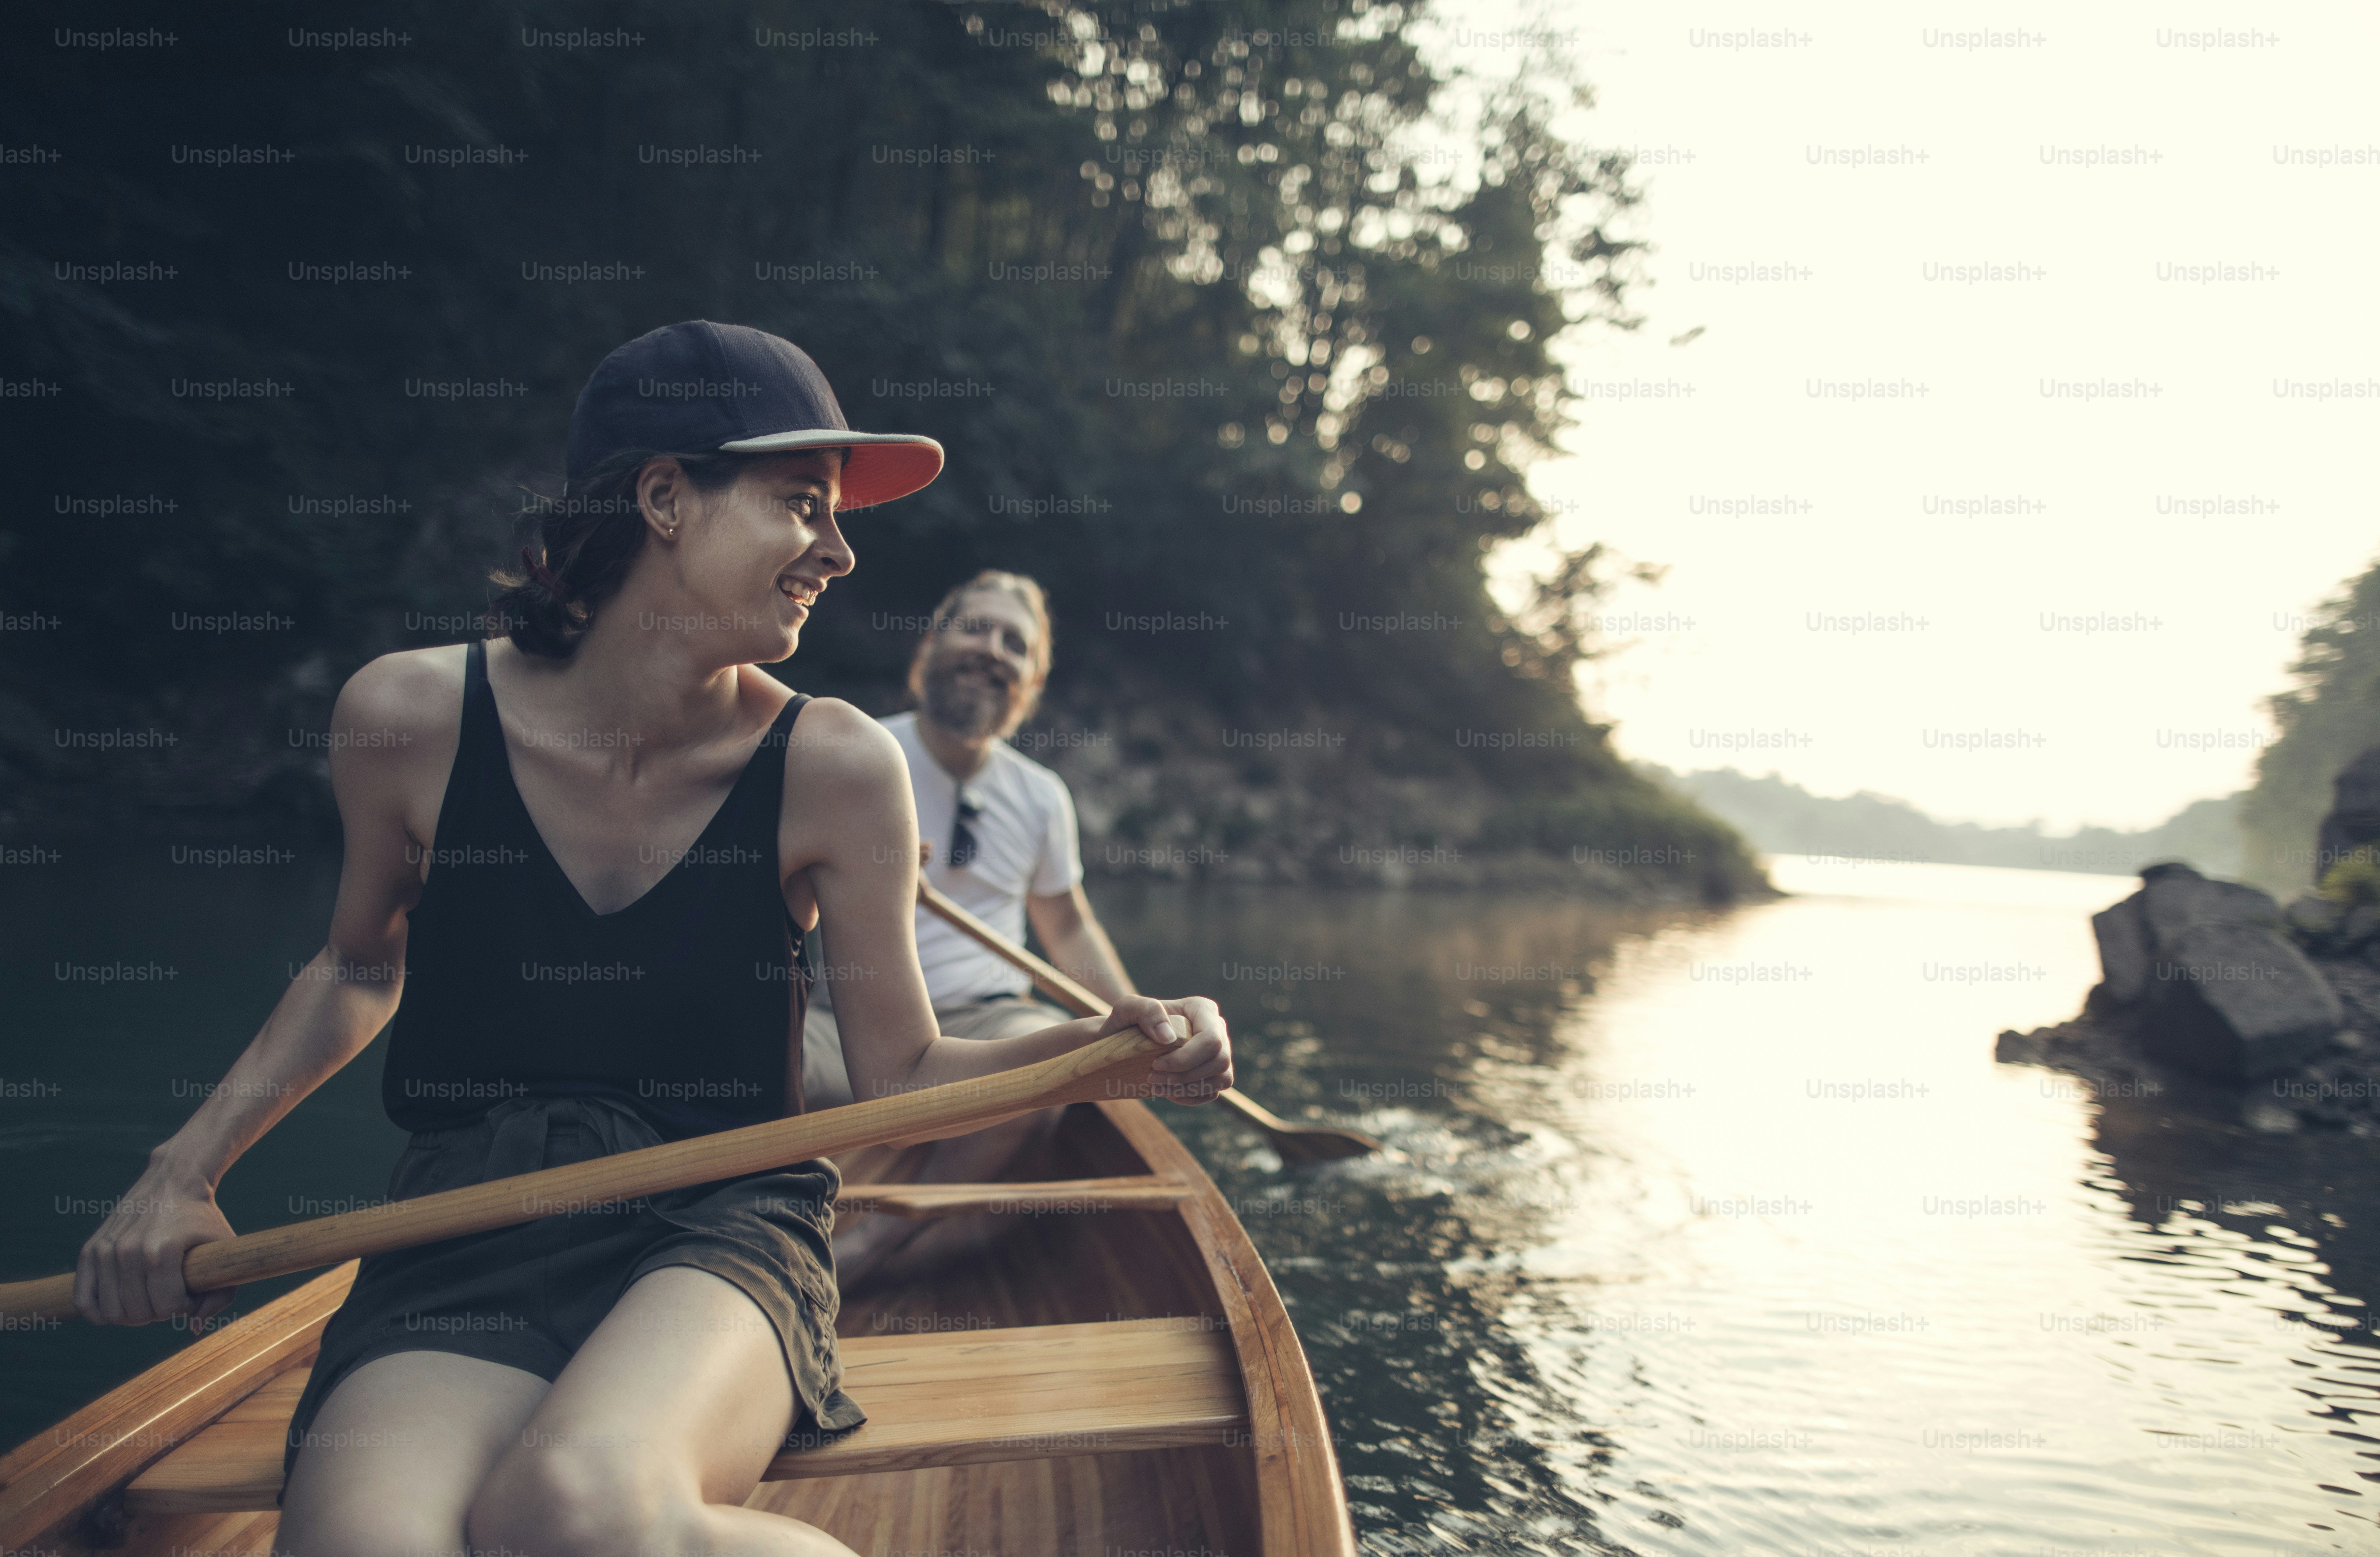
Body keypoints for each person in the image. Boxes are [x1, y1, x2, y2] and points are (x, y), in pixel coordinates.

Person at [68, 320, 1234, 1557]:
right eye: (802, 505)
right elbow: (364, 964)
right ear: (666, 498)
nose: (838, 552)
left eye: (836, 518)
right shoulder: (406, 716)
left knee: (575, 1511)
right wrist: (180, 1173)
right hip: (466, 1226)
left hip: (718, 1226)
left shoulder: (834, 766)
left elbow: (898, 1080)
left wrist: (1100, 1048)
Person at [800, 570, 1138, 1285]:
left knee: (1041, 1062)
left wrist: (1132, 1027)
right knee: (756, 1054)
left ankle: (862, 1251)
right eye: (974, 628)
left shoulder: (1041, 796)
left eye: (1014, 643)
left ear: (1032, 680)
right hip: (844, 1020)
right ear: (929, 646)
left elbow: (1069, 928)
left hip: (985, 1020)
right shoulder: (853, 755)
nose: (991, 649)